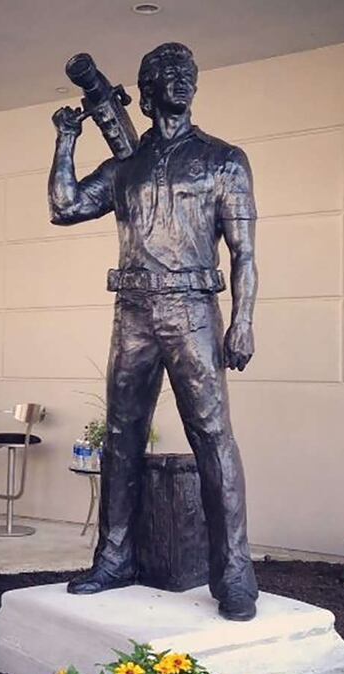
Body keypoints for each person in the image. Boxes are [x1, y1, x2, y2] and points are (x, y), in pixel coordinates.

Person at [48, 42, 259, 621]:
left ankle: (234, 573)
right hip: (134, 313)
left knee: (213, 437)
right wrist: (66, 140)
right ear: (144, 93)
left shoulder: (224, 160)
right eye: (167, 73)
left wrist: (243, 320)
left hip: (194, 311)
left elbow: (243, 252)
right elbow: (65, 207)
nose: (181, 79)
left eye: (187, 71)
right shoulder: (126, 164)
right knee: (121, 437)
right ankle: (114, 559)